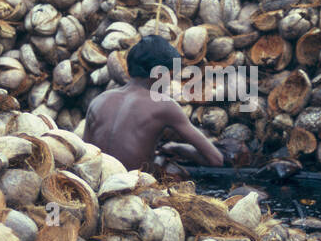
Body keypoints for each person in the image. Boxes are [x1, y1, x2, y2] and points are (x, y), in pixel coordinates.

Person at [82, 35, 225, 171]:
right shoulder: (165, 105)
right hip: (132, 185)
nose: (170, 82)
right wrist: (178, 148)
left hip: (92, 184)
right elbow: (215, 159)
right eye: (170, 75)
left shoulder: (99, 100)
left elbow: (83, 156)